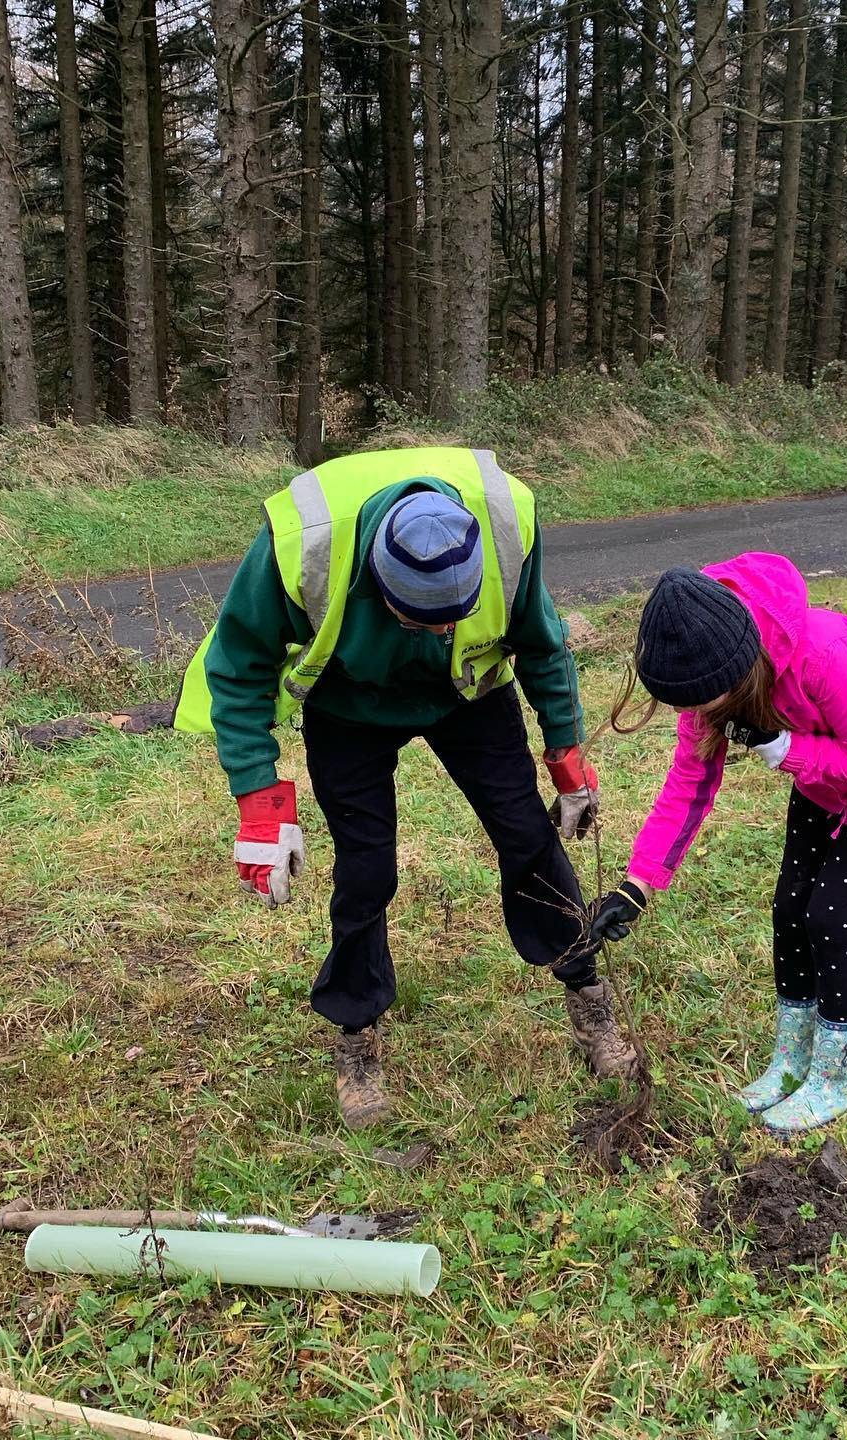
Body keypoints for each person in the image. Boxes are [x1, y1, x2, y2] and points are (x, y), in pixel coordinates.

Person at [174, 446, 637, 1129]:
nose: (445, 628)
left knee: (528, 839)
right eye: (424, 619)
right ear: (375, 585)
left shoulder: (504, 526)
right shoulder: (302, 544)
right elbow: (239, 666)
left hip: (470, 694)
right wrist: (260, 802)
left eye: (456, 613)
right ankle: (355, 1035)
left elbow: (540, 642)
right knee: (366, 872)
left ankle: (586, 990)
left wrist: (566, 751)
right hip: (348, 705)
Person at [588, 553, 847, 1134]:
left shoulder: (823, 650)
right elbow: (688, 786)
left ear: (738, 667)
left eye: (703, 702)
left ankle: (834, 1073)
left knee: (830, 916)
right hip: (823, 773)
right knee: (789, 910)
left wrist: (782, 748)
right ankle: (790, 1060)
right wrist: (636, 886)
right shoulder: (705, 671)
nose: (696, 715)